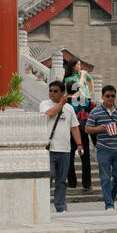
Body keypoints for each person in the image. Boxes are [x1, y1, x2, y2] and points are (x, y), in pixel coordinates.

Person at [86, 84, 117, 211]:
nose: (110, 98)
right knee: (105, 177)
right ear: (103, 97)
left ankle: (111, 197)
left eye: (112, 96)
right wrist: (99, 128)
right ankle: (109, 204)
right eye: (107, 96)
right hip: (103, 148)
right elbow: (87, 129)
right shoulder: (95, 111)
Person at [40, 80, 84, 214]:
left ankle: (60, 206)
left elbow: (75, 128)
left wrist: (79, 144)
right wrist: (60, 103)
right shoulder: (44, 104)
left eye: (55, 91)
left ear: (62, 93)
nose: (52, 93)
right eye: (50, 90)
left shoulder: (69, 108)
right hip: (49, 149)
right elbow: (49, 115)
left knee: (61, 180)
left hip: (64, 149)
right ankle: (43, 205)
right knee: (49, 176)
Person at [67, 60, 94, 191]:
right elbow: (89, 103)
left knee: (77, 156)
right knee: (80, 155)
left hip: (76, 129)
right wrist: (83, 90)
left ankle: (77, 182)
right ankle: (84, 182)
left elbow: (89, 83)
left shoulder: (66, 102)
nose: (79, 67)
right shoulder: (70, 79)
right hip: (78, 128)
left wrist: (90, 93)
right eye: (77, 64)